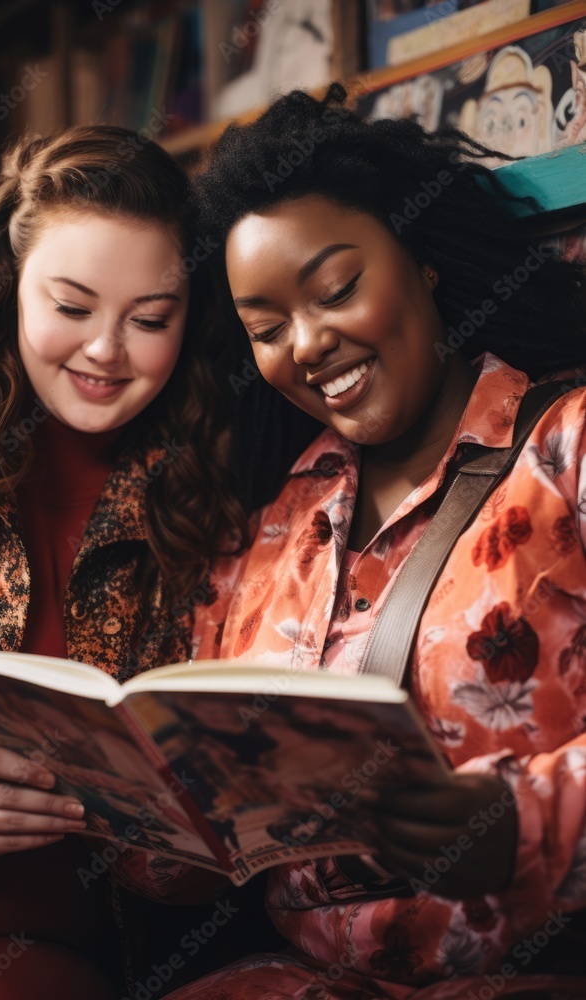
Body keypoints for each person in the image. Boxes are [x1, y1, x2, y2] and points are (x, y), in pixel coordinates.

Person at [163, 84, 586, 998]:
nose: (307, 344)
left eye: (337, 288)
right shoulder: (260, 531)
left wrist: (525, 824)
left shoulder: (568, 443)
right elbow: (192, 848)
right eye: (266, 329)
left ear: (420, 262)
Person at [0, 124, 248, 998]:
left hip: (74, 949)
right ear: (9, 286)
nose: (105, 352)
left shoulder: (217, 487)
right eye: (72, 307)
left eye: (149, 319)